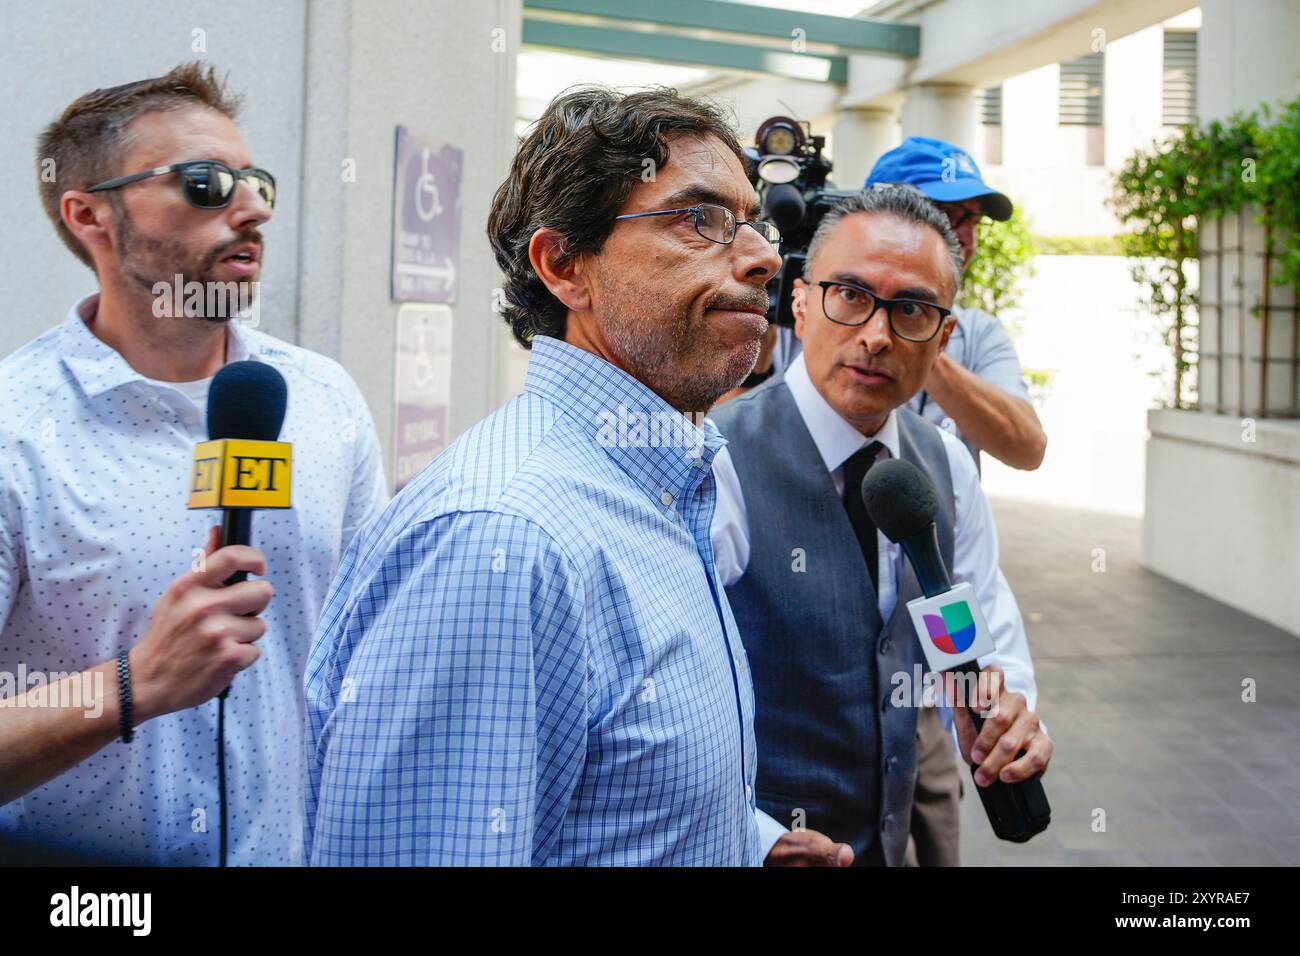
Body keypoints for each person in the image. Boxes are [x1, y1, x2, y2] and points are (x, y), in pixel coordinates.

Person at [304, 86, 852, 867]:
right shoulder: (501, 539)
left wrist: (744, 843)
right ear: (565, 266)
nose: (763, 255)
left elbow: (612, 797)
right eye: (699, 218)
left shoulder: (660, 485)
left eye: (752, 221)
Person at [0, 63, 387, 864]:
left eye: (256, 182)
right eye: (207, 184)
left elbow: (367, 661)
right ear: (90, 215)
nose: (252, 210)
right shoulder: (15, 426)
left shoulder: (322, 400)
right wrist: (132, 682)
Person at [710, 186, 1052, 866]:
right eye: (851, 295)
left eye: (913, 310)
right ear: (801, 303)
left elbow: (973, 619)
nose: (876, 334)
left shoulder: (945, 464)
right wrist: (754, 838)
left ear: (945, 338)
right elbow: (671, 704)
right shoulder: (718, 463)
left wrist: (1007, 714)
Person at [866, 137, 1047, 472]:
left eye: (974, 222)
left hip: (947, 523)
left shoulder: (979, 331)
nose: (968, 239)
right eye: (949, 215)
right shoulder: (814, 312)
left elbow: (1028, 449)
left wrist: (921, 339)